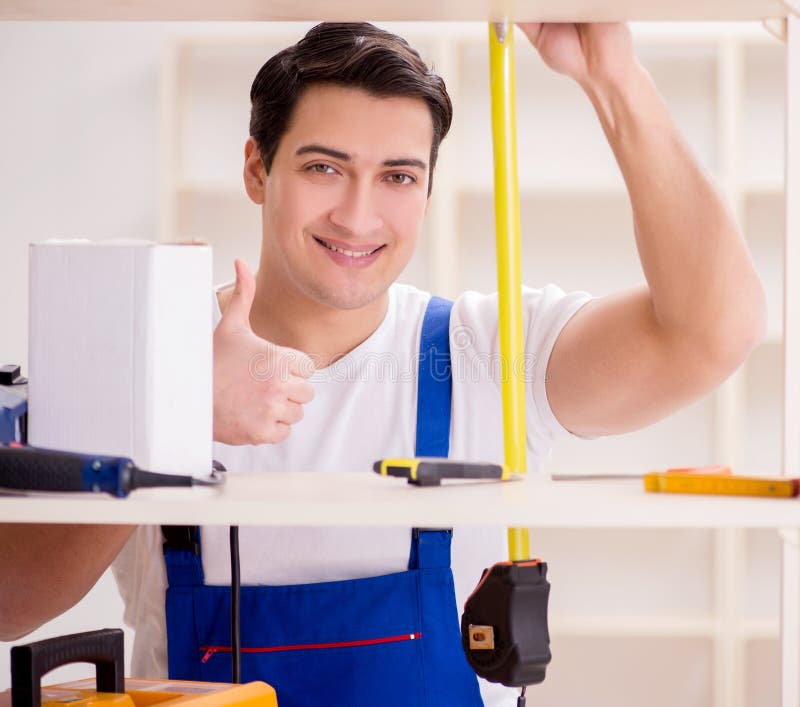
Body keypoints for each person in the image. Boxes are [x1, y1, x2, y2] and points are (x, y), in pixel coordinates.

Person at [0, 20, 765, 707]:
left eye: (398, 176)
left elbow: (710, 332)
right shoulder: (146, 356)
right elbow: (10, 600)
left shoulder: (488, 353)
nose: (358, 215)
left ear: (427, 190)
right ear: (257, 169)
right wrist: (171, 414)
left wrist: (615, 79)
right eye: (324, 168)